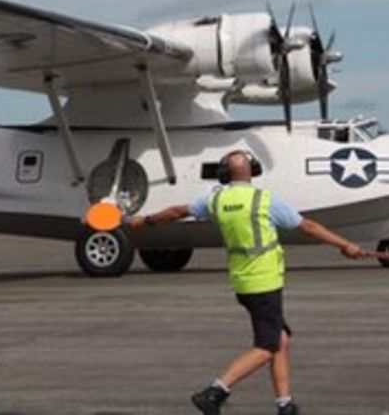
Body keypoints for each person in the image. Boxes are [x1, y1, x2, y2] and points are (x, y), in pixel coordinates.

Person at [125, 149, 367, 415]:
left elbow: (175, 212)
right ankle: (215, 392)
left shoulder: (216, 199)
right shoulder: (264, 200)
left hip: (243, 280)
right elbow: (307, 227)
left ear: (225, 173)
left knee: (281, 339)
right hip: (265, 281)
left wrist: (144, 220)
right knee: (267, 345)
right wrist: (346, 245)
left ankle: (285, 404)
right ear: (253, 170)